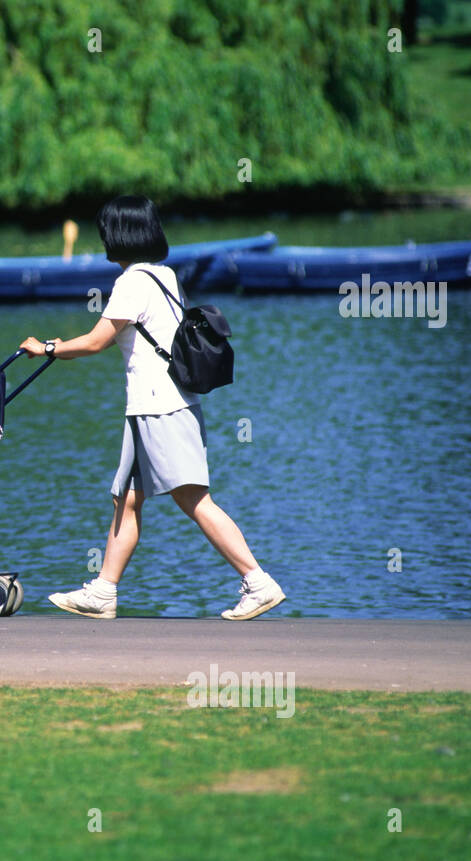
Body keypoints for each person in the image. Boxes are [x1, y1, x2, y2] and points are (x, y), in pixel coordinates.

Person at [20, 195, 284, 621]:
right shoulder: (165, 276)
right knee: (126, 500)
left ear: (119, 234)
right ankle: (103, 591)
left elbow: (95, 341)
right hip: (156, 406)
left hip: (160, 408)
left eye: (106, 230)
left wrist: (46, 347)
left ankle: (258, 582)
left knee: (193, 498)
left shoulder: (132, 283)